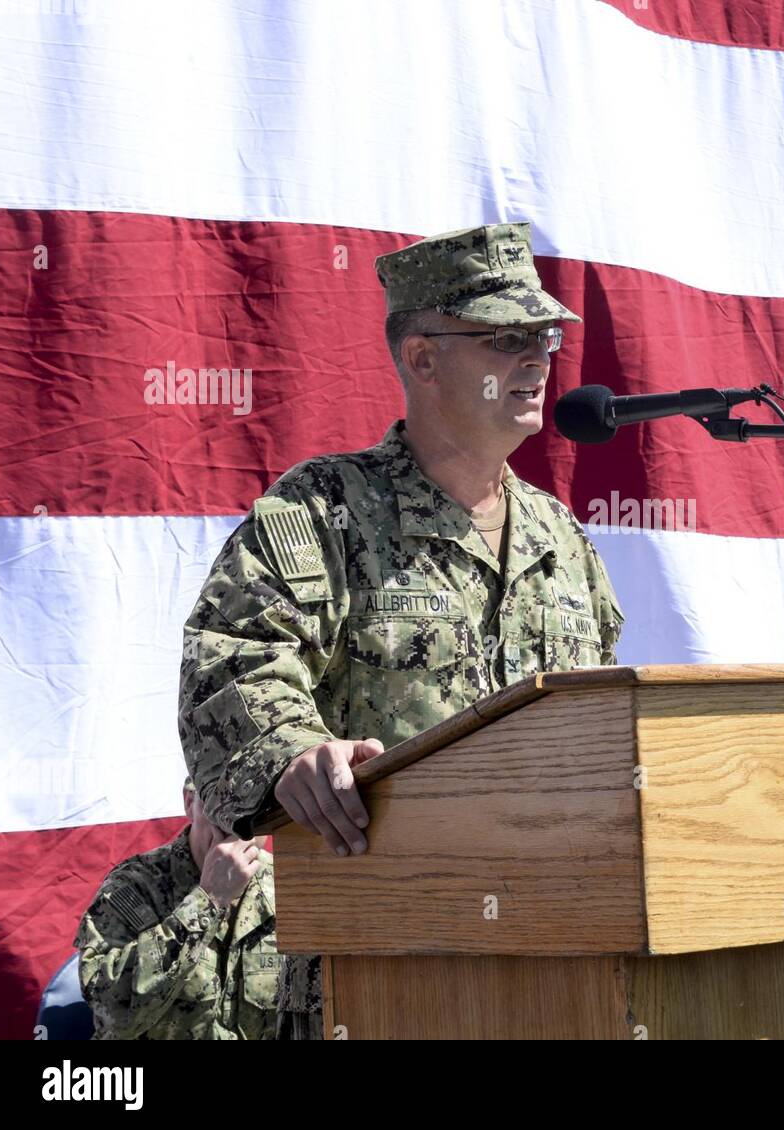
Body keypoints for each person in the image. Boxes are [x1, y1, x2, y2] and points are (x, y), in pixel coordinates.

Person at [178, 220, 626, 1038]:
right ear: (422, 358)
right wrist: (293, 755)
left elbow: (599, 727)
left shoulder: (562, 540)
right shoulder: (322, 513)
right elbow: (230, 666)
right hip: (376, 972)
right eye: (505, 337)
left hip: (553, 970)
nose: (537, 358)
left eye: (545, 336)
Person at [74, 777, 279, 1039]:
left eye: (253, 809)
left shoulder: (290, 888)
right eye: (220, 805)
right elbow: (114, 1012)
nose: (235, 826)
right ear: (190, 802)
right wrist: (209, 899)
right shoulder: (131, 888)